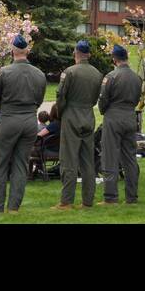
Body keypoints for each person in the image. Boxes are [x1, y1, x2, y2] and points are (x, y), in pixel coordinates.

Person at [0, 33, 46, 214]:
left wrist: (3, 113)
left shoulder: (3, 73)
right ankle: (14, 207)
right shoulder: (39, 74)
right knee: (21, 164)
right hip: (29, 121)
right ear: (27, 51)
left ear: (12, 51)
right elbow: (39, 99)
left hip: (9, 118)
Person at [53, 39, 101, 209]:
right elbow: (96, 98)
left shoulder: (70, 72)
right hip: (88, 115)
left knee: (68, 160)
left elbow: (61, 96)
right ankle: (88, 201)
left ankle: (66, 201)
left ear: (76, 54)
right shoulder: (97, 73)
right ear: (88, 54)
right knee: (88, 162)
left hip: (71, 116)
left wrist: (59, 113)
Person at [99, 43, 143, 206]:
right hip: (130, 117)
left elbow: (103, 99)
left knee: (110, 156)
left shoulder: (110, 76)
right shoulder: (137, 77)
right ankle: (132, 197)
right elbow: (138, 97)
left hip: (114, 116)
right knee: (130, 158)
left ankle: (110, 197)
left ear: (114, 59)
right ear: (126, 58)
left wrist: (105, 111)